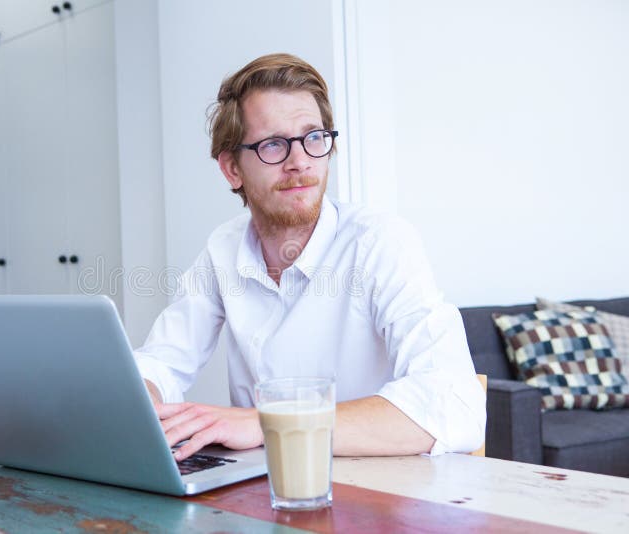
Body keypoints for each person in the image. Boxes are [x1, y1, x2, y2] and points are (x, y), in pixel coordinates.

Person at [134, 53, 485, 462]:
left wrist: (269, 422)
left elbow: (456, 403)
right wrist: (135, 397)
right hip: (264, 495)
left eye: (313, 138)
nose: (299, 161)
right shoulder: (223, 249)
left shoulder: (380, 242)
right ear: (232, 169)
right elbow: (162, 362)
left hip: (381, 499)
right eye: (273, 144)